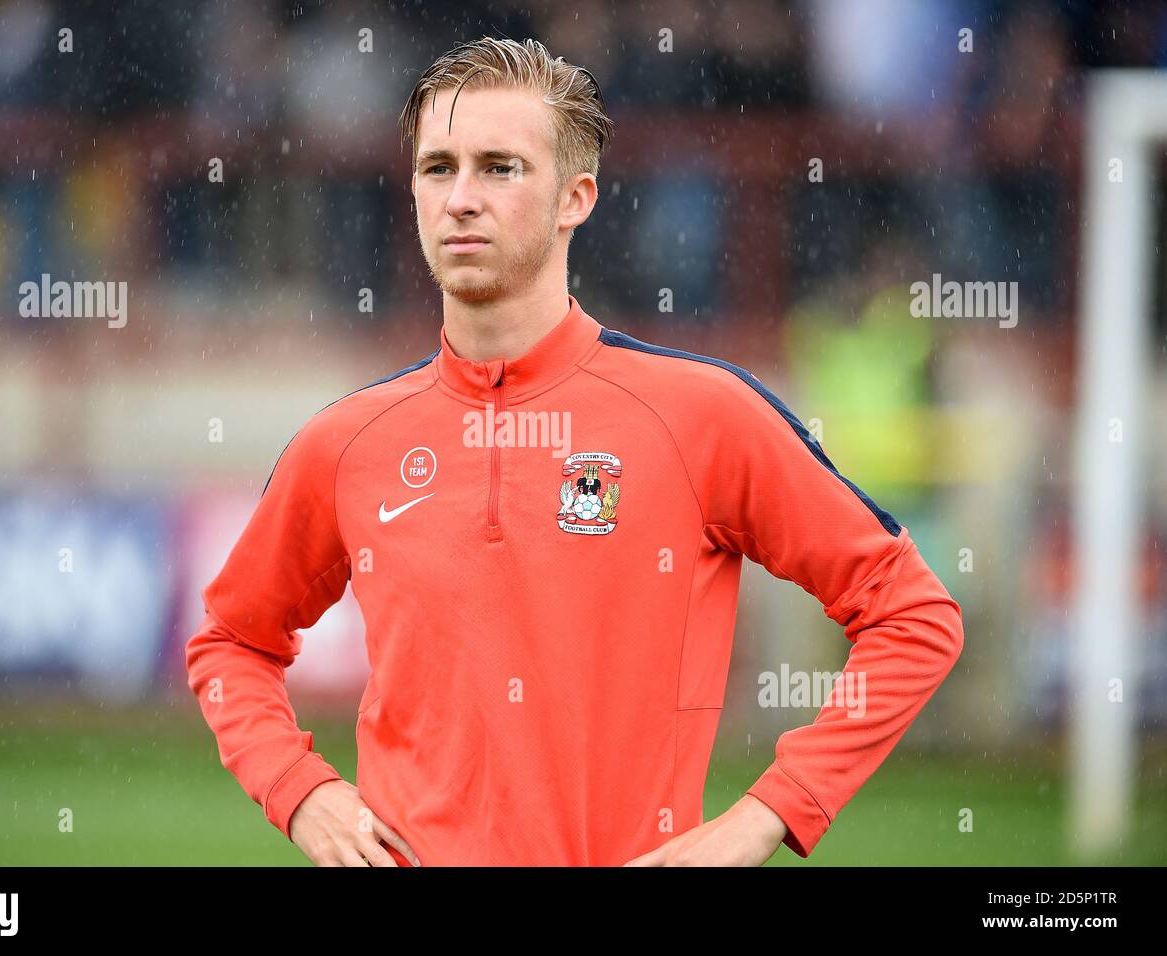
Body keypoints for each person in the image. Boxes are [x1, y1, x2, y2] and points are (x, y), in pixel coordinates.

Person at [185, 37, 964, 866]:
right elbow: (231, 643)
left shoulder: (699, 415)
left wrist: (764, 816)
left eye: (500, 167)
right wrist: (299, 790)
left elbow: (912, 615)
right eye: (438, 167)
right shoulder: (347, 443)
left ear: (575, 198)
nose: (461, 199)